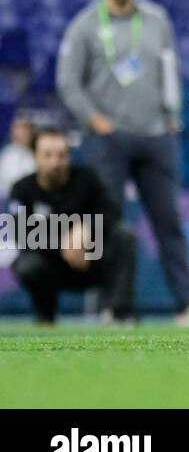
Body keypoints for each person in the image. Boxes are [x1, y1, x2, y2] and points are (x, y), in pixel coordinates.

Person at [56, 0, 189, 325]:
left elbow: (169, 69)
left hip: (157, 135)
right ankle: (114, 306)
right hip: (109, 138)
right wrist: (94, 120)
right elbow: (68, 82)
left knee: (168, 221)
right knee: (109, 225)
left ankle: (187, 304)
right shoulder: (85, 24)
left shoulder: (157, 20)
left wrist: (173, 116)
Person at [6, 128, 136, 325]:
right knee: (27, 264)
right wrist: (63, 243)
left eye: (61, 155)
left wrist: (86, 229)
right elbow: (20, 233)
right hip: (51, 265)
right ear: (35, 156)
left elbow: (111, 212)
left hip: (90, 261)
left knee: (124, 236)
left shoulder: (86, 179)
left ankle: (118, 313)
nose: (55, 162)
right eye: (47, 155)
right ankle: (45, 317)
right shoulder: (22, 189)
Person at [0, 115, 36, 200]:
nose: (23, 133)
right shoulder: (6, 155)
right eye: (19, 129)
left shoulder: (38, 152)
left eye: (26, 130)